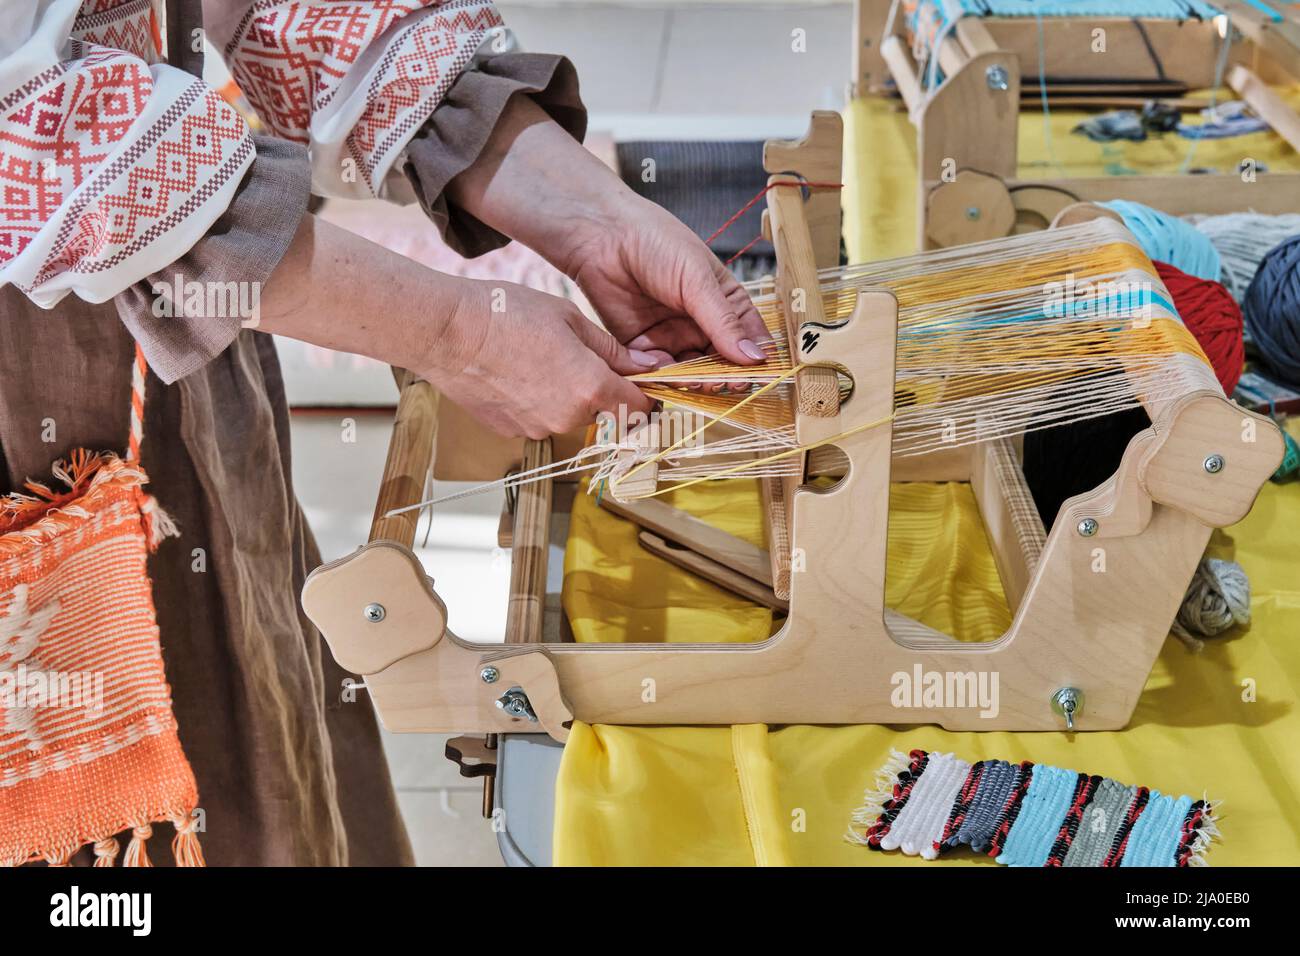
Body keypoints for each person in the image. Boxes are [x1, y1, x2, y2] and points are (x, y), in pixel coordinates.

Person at [0, 0, 764, 864]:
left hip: (177, 325)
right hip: (46, 365)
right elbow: (38, 132)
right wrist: (456, 338)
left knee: (247, 702)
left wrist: (592, 216)